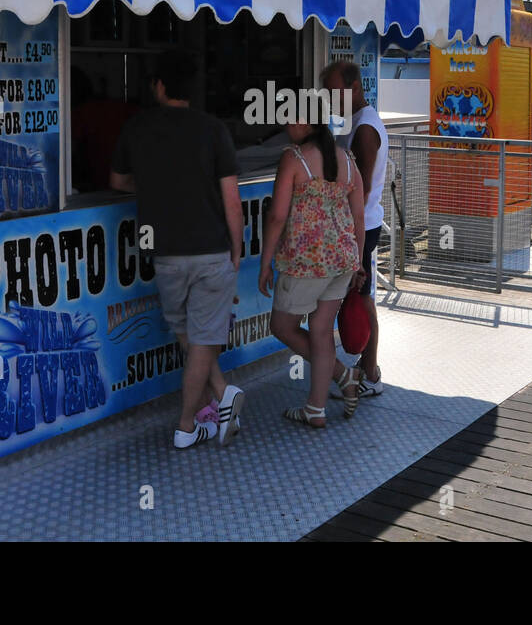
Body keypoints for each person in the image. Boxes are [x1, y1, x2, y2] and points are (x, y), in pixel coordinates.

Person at [110, 49, 247, 449]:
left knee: (190, 337)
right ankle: (192, 420)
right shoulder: (213, 129)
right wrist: (236, 250)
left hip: (164, 253)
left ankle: (214, 402)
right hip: (210, 252)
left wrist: (153, 187)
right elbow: (232, 202)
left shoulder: (136, 128)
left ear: (159, 85)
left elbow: (117, 181)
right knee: (200, 340)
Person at [259, 117, 366, 427]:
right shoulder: (346, 158)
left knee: (282, 326)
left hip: (305, 261)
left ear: (305, 122)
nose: (284, 124)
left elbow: (278, 216)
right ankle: (318, 405)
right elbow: (358, 216)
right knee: (321, 332)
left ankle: (341, 379)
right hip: (341, 260)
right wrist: (357, 261)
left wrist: (266, 262)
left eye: (289, 118)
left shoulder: (294, 158)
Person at [321, 60, 389, 400]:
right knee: (359, 298)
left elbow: (359, 189)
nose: (332, 98)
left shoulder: (364, 128)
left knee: (363, 300)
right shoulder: (356, 122)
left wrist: (349, 235)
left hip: (361, 226)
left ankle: (371, 372)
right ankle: (364, 370)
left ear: (354, 88)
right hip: (355, 226)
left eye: (335, 92)